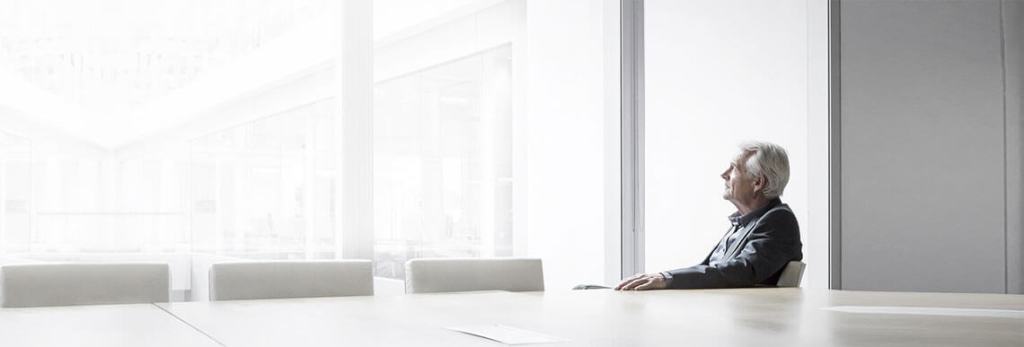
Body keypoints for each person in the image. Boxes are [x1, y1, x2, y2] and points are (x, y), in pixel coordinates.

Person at [615, 142, 802, 290]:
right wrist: (664, 278)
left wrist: (668, 279)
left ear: (758, 182)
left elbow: (741, 271)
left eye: (734, 168)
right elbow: (713, 270)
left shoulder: (779, 220)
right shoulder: (745, 222)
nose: (724, 175)